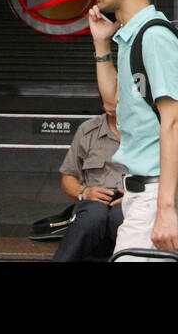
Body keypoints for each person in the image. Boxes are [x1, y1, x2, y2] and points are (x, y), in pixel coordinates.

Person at [88, 0, 178, 260]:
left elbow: (174, 121)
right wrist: (101, 44)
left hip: (156, 195)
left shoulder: (154, 37)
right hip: (141, 193)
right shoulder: (133, 36)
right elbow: (113, 104)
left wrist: (164, 209)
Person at [53, 95, 125, 262]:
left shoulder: (147, 131)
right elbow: (68, 178)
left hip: (129, 208)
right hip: (92, 209)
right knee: (95, 214)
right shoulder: (88, 130)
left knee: (121, 215)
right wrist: (85, 192)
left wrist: (137, 196)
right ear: (106, 105)